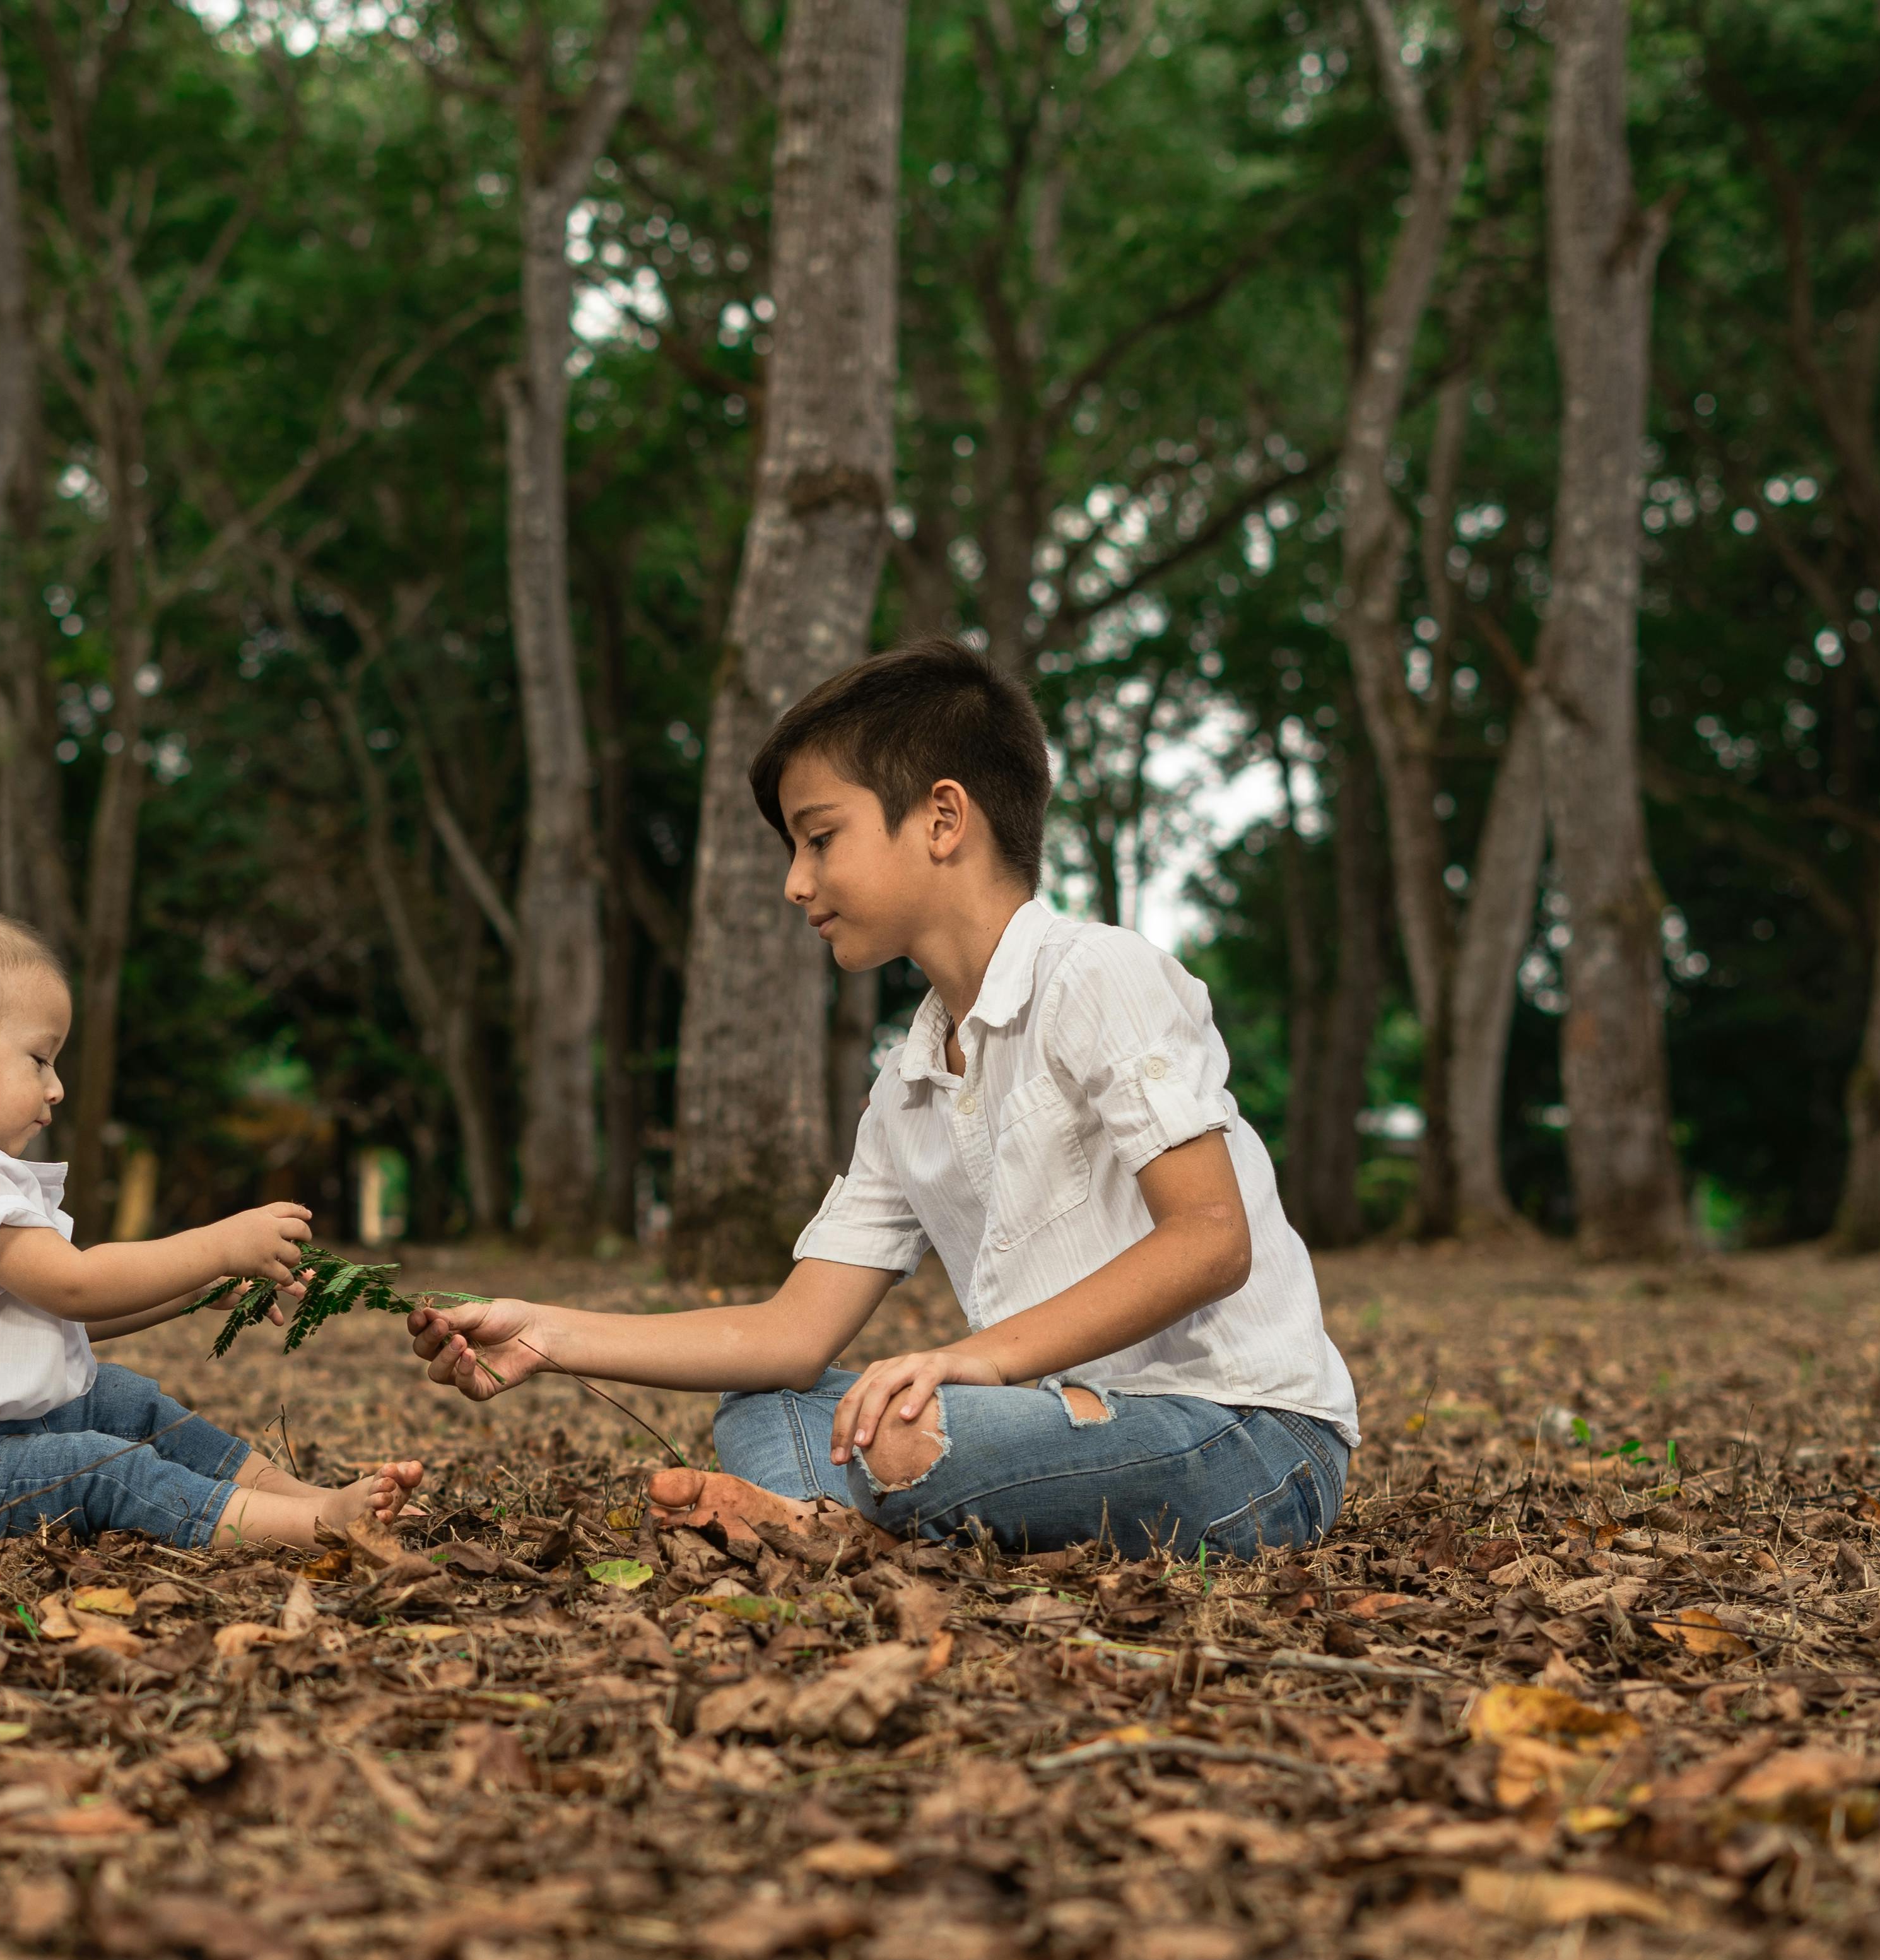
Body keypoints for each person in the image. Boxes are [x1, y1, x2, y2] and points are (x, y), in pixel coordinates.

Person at [409, 639, 1356, 1558]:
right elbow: (789, 1335)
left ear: (943, 819)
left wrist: (976, 1362)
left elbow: (1209, 1238)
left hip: (1243, 1436)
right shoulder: (905, 1086)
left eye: (820, 837)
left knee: (916, 1430)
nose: (795, 882)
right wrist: (545, 1333)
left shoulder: (1095, 974)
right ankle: (835, 1529)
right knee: (774, 1405)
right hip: (1041, 1423)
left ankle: (839, 1508)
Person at [0, 897, 421, 1545]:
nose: (56, 1087)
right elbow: (74, 1285)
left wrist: (188, 1288)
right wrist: (217, 1246)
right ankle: (312, 1525)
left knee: (118, 1397)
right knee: (96, 1467)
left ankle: (306, 1497)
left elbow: (57, 1314)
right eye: (39, 1058)